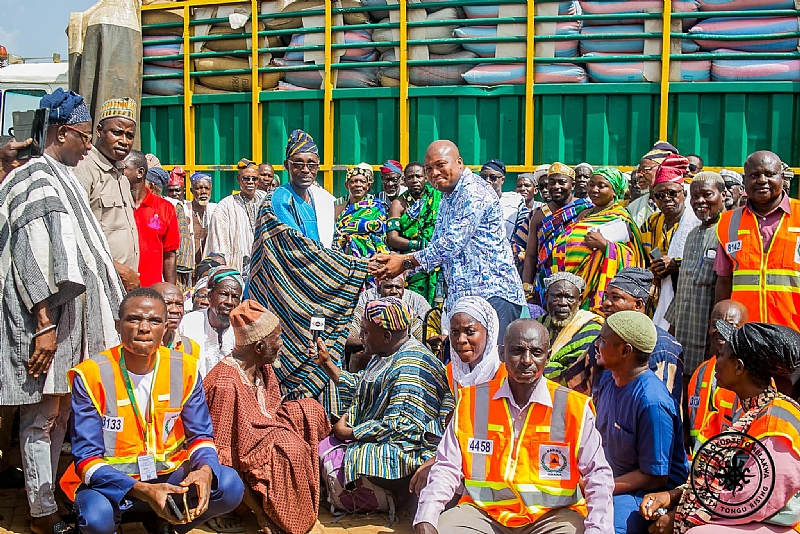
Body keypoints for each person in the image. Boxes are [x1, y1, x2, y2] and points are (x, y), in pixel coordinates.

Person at [0, 89, 125, 534]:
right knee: (42, 417)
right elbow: (29, 256)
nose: (89, 146)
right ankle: (41, 513)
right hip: (51, 323)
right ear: (62, 133)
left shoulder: (63, 175)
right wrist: (44, 325)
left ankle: (48, 497)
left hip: (73, 325)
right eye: (84, 137)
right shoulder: (34, 176)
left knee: (62, 414)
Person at [62, 288, 244, 534]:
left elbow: (200, 436)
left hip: (168, 475)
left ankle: (165, 522)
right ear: (118, 325)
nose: (144, 328)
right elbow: (86, 458)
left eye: (155, 321)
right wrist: (145, 491)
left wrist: (204, 470)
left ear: (165, 326)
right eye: (134, 319)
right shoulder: (91, 375)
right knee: (96, 519)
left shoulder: (184, 368)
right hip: (113, 484)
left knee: (229, 485)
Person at [413, 318, 614, 534]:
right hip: (483, 514)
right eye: (517, 351)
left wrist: (598, 530)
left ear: (547, 357)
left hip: (554, 517)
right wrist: (427, 516)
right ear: (502, 354)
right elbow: (447, 467)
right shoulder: (471, 401)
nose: (527, 360)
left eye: (536, 352)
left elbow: (598, 475)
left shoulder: (574, 407)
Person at [641, 322, 800, 533]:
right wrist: (673, 496)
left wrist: (679, 518)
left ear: (739, 368)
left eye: (721, 355)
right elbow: (723, 479)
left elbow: (749, 500)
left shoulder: (776, 422)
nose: (715, 362)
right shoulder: (752, 408)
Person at [371, 140, 526, 337]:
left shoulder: (473, 191)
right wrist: (392, 265)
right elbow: (436, 246)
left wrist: (405, 262)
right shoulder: (447, 197)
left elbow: (451, 244)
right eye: (429, 169)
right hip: (465, 301)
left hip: (493, 296)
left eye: (440, 165)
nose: (434, 173)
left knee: (495, 356)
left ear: (459, 162)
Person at [204, 300, 331, 534]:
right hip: (233, 467)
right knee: (287, 447)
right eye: (277, 339)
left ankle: (300, 504)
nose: (281, 344)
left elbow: (269, 414)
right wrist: (261, 517)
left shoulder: (263, 367)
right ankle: (225, 509)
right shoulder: (225, 384)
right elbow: (222, 457)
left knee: (307, 410)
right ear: (259, 346)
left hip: (257, 440)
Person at [313, 298, 453, 498]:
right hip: (392, 435)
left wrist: (349, 433)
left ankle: (393, 498)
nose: (361, 337)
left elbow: (401, 428)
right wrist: (327, 364)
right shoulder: (385, 353)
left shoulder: (410, 366)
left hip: (411, 448)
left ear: (386, 336)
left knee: (346, 459)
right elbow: (365, 388)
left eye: (366, 332)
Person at [593, 311, 689, 534]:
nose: (596, 345)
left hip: (641, 492)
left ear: (625, 351)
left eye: (603, 341)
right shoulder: (609, 377)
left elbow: (655, 476)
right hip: (608, 480)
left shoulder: (652, 402)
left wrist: (600, 486)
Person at [715, 150, 800, 327]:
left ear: (782, 177)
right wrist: (723, 328)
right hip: (746, 331)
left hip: (794, 330)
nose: (762, 180)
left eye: (769, 174)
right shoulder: (728, 223)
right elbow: (724, 281)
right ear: (745, 181)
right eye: (754, 175)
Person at [551, 167, 645, 312]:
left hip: (597, 286)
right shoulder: (584, 214)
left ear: (615, 191)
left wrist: (604, 245)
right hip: (571, 282)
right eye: (591, 184)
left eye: (602, 186)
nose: (594, 190)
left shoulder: (620, 218)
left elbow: (631, 257)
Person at [74, 97, 140, 289]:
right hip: (98, 282)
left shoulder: (122, 177)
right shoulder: (84, 169)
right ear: (99, 131)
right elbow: (77, 235)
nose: (124, 141)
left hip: (123, 284)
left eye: (129, 136)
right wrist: (119, 270)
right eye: (117, 133)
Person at [664, 171, 726, 377]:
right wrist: (670, 332)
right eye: (695, 196)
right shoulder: (692, 234)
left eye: (707, 195)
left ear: (723, 195)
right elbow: (684, 285)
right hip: (684, 332)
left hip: (708, 338)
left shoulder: (728, 232)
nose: (700, 201)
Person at [597, 267, 684, 403]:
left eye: (615, 297)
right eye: (606, 296)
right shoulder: (606, 339)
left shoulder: (662, 346)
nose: (606, 303)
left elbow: (658, 405)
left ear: (638, 305)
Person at [640, 154, 700, 327]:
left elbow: (707, 262)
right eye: (660, 195)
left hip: (688, 296)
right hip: (657, 295)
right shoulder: (651, 223)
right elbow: (638, 253)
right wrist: (653, 269)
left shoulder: (696, 222)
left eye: (672, 193)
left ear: (684, 194)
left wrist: (676, 265)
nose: (666, 198)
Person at [522, 162, 593, 305]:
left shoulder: (585, 210)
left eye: (562, 182)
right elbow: (531, 255)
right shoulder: (539, 215)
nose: (556, 186)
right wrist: (527, 287)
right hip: (545, 281)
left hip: (577, 279)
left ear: (572, 185)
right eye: (552, 182)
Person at [684, 299, 748, 456]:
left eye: (731, 325)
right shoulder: (700, 373)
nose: (721, 330)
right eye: (716, 324)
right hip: (699, 463)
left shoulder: (750, 377)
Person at [386, 161, 442, 305]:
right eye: (410, 177)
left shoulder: (438, 198)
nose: (415, 180)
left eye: (418, 176)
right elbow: (392, 238)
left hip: (437, 261)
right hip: (412, 264)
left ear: (426, 178)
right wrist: (418, 245)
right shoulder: (398, 204)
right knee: (412, 305)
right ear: (404, 180)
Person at [539, 272, 604, 393]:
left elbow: (575, 375)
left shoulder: (591, 330)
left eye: (570, 298)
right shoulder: (540, 324)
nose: (563, 303)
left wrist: (540, 366)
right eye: (556, 296)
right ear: (546, 296)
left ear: (579, 301)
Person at [271, 130, 336, 248]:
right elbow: (297, 248)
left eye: (312, 165)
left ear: (318, 167)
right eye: (298, 164)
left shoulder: (323, 199)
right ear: (286, 165)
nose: (306, 170)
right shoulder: (278, 200)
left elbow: (334, 239)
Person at [124, 150, 180, 286]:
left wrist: (170, 291)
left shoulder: (165, 208)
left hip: (151, 290)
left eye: (124, 168)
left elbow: (169, 256)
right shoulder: (114, 205)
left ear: (140, 172)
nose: (118, 171)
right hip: (117, 288)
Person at [205, 160, 266, 272]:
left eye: (254, 179)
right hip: (237, 267)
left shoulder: (265, 201)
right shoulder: (225, 206)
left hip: (263, 264)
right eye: (246, 178)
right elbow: (218, 243)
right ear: (238, 179)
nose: (250, 182)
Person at [180, 267, 243, 376]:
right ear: (210, 296)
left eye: (235, 297)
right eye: (224, 294)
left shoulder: (242, 329)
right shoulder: (188, 324)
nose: (229, 302)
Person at [349, 273, 431, 349]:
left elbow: (422, 340)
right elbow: (348, 340)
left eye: (398, 287)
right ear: (379, 289)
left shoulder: (407, 312)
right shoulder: (365, 310)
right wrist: (374, 344)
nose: (394, 291)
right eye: (388, 287)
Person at [334, 166, 389, 258]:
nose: (358, 184)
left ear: (368, 186)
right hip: (343, 257)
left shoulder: (377, 207)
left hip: (373, 256)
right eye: (353, 181)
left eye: (362, 181)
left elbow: (381, 230)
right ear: (346, 185)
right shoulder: (338, 209)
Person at [176, 172, 218, 289]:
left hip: (208, 268)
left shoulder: (215, 210)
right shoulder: (183, 210)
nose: (203, 192)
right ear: (191, 190)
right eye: (198, 188)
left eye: (206, 188)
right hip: (188, 268)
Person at [626, 141, 679, 227]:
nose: (639, 175)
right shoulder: (634, 206)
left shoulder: (686, 200)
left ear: (662, 169)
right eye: (639, 171)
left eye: (645, 169)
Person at [480, 159, 527, 241]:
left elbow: (524, 231)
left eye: (493, 177)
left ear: (502, 180)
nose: (487, 180)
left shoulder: (515, 201)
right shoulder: (473, 202)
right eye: (483, 177)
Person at [153, 282, 200, 356]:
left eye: (179, 304)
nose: (175, 310)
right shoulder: (138, 345)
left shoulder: (189, 347)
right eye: (167, 303)